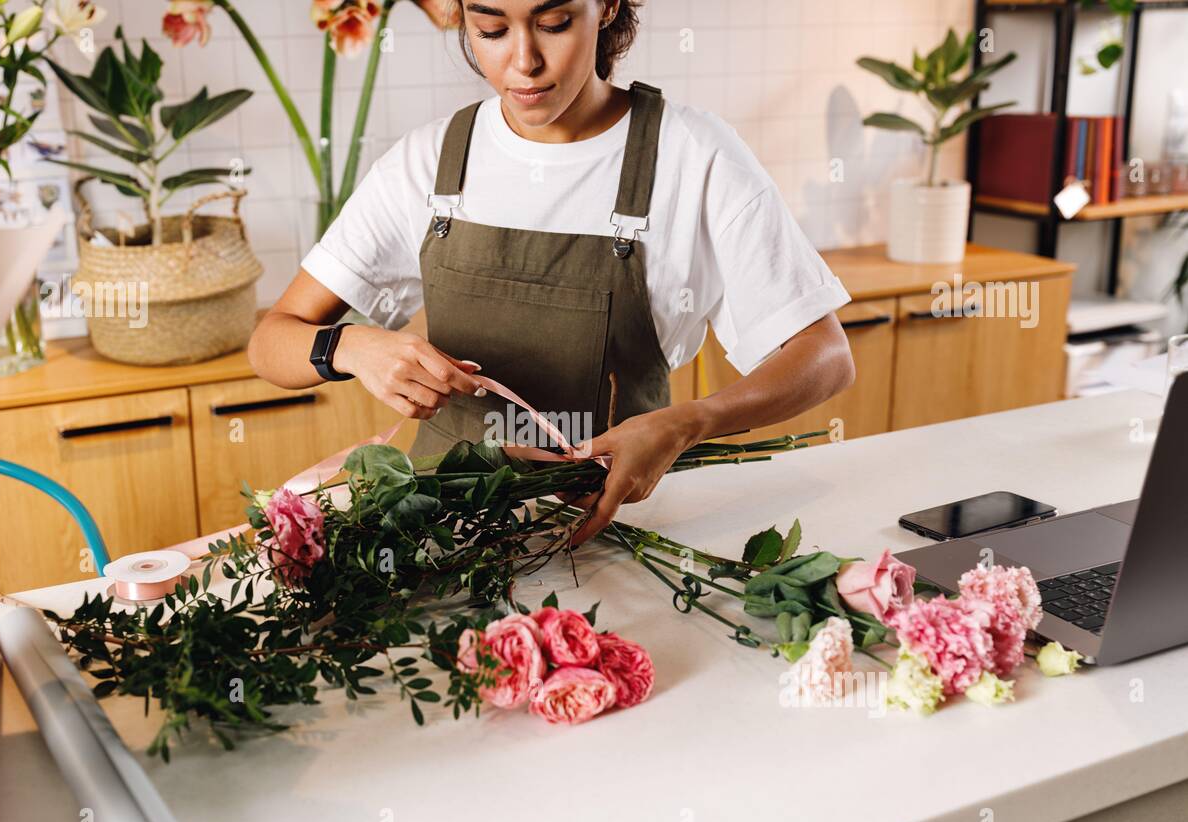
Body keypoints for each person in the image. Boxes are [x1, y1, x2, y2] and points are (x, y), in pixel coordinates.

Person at [249, 0, 855, 545]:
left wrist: (685, 424)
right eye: (490, 28)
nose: (524, 61)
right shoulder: (429, 162)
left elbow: (825, 356)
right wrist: (353, 347)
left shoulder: (694, 154)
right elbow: (271, 343)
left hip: (623, 535)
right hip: (443, 535)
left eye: (554, 23)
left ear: (607, 7)